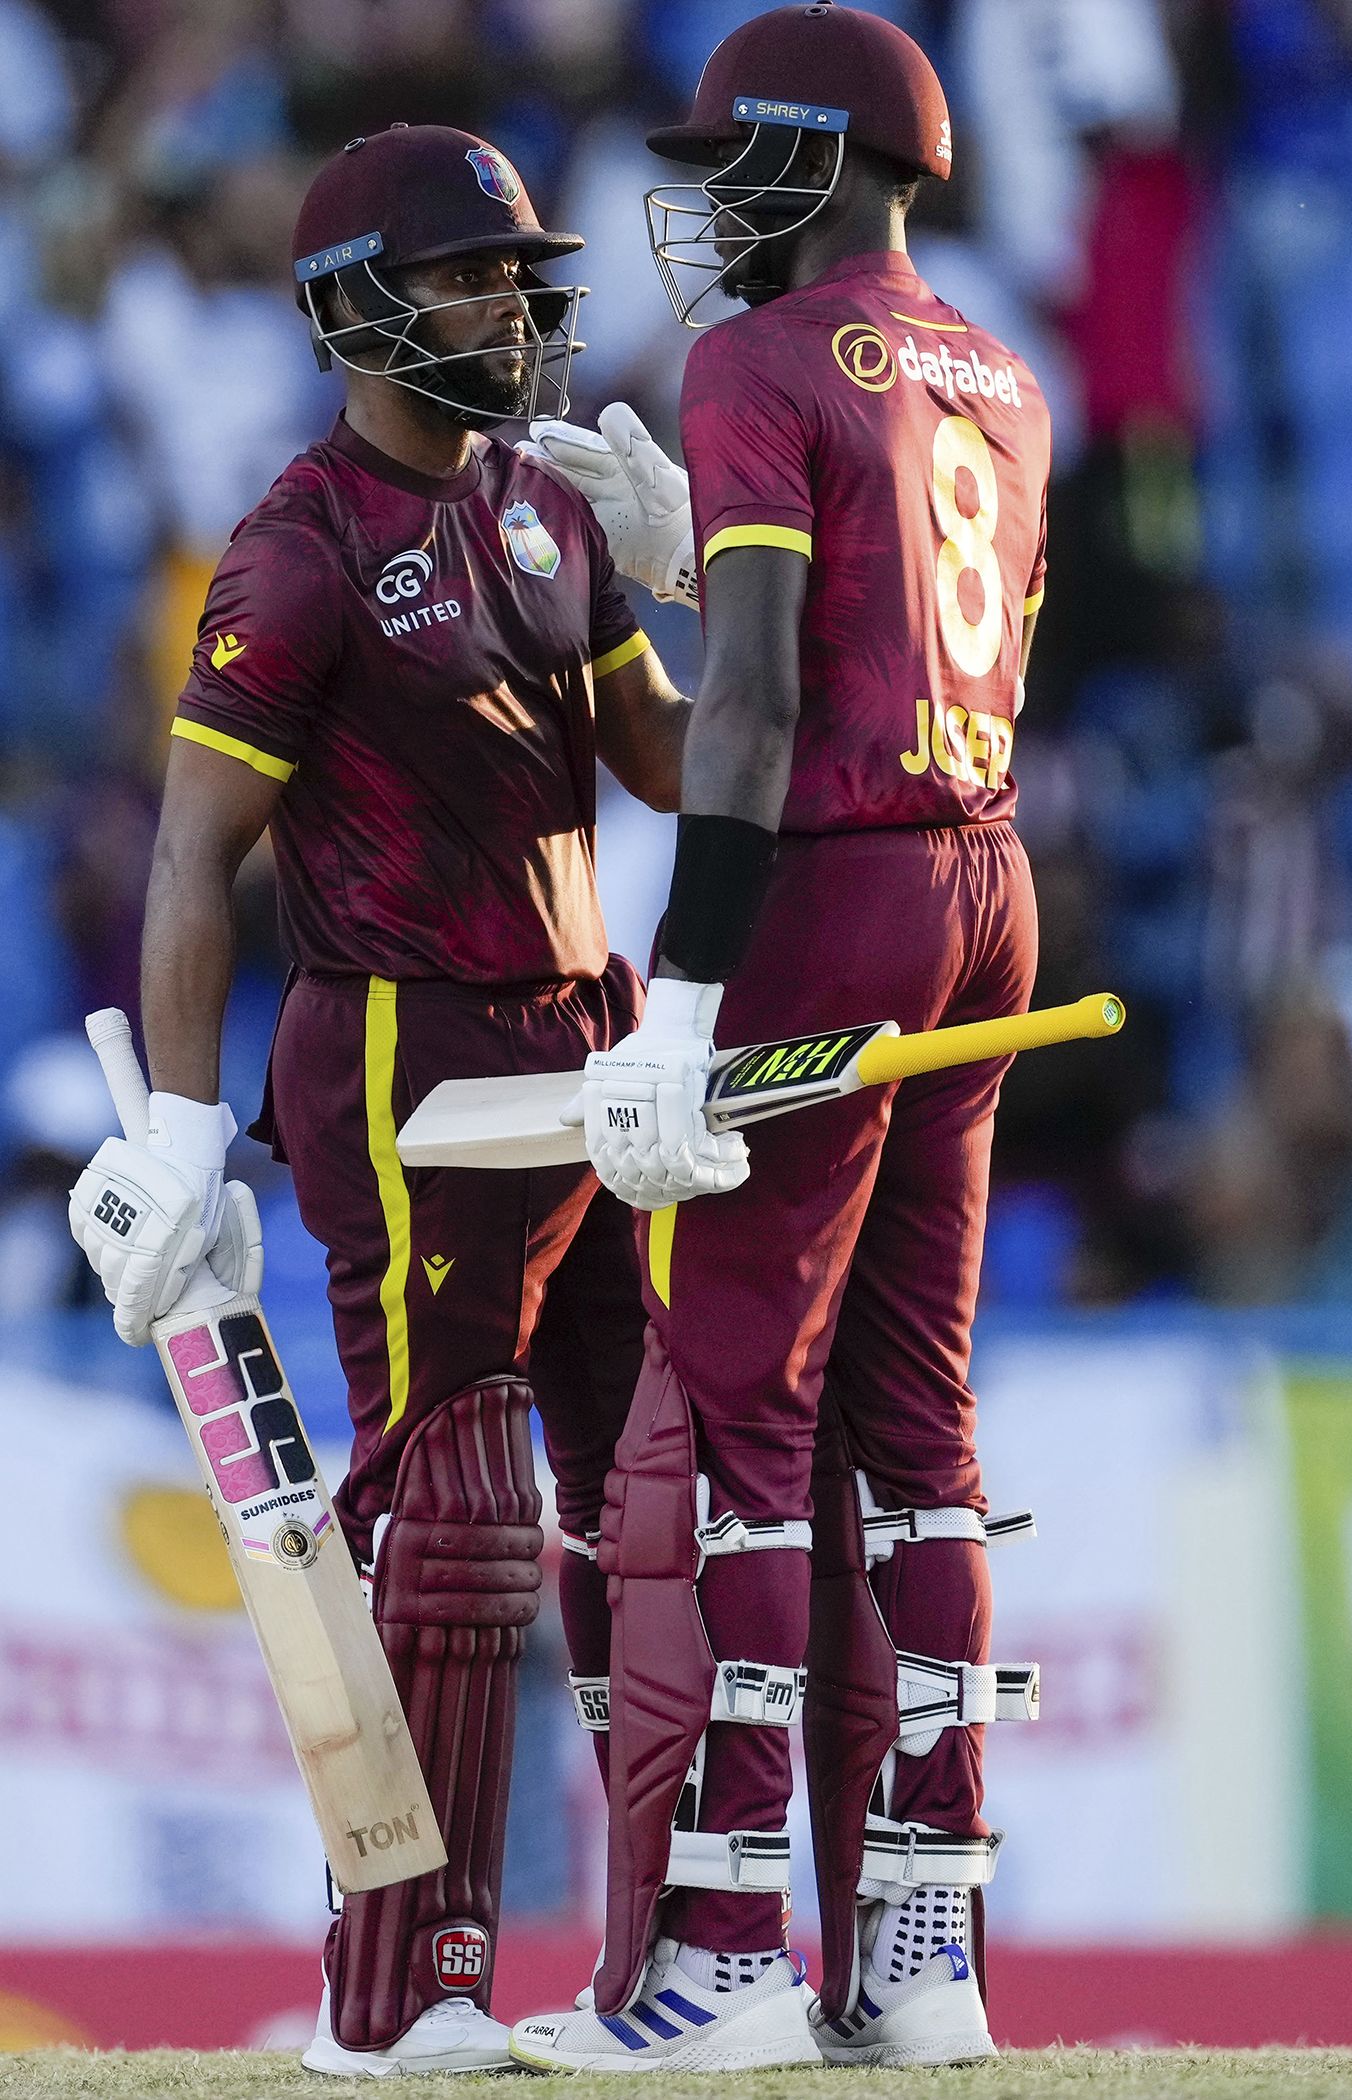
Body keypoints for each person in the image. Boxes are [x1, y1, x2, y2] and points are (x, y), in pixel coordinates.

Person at [67, 124, 691, 2077]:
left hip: (586, 1044)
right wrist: (176, 1128)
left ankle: (666, 1969)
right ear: (360, 310)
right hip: (409, 1061)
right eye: (469, 278)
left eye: (522, 276)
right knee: (466, 1504)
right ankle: (399, 1989)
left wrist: (706, 583)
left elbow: (672, 768)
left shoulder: (549, 505)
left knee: (645, 1504)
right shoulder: (297, 545)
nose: (512, 305)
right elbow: (193, 859)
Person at [511, 4, 1050, 2071]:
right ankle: (924, 1959)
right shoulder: (997, 368)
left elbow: (742, 712)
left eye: (738, 157)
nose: (709, 199)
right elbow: (877, 638)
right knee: (917, 1433)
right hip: (985, 884)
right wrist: (683, 559)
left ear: (825, 159)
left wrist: (699, 986)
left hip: (825, 892)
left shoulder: (753, 356)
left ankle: (729, 1949)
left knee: (740, 1405)